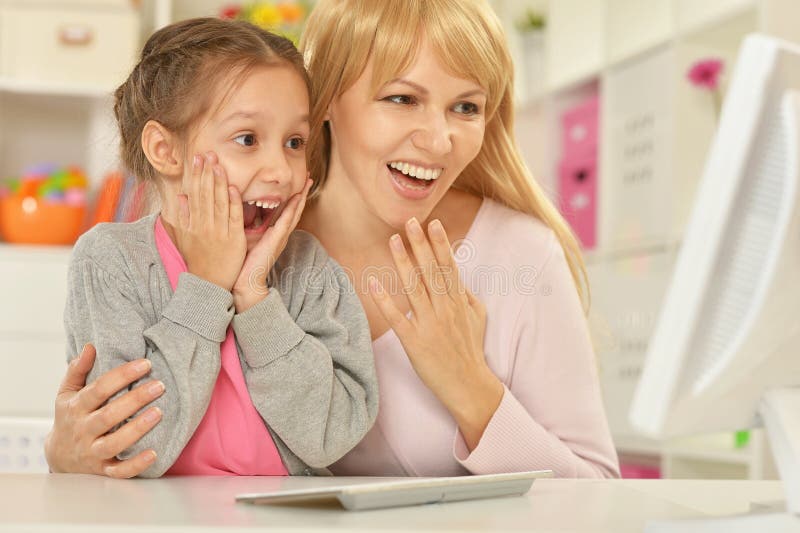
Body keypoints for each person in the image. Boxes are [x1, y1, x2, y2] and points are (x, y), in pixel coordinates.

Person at [46, 0, 620, 479]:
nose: (440, 139)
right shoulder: (258, 243)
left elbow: (599, 495)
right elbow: (131, 436)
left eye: (466, 107)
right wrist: (68, 457)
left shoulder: (521, 255)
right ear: (325, 103)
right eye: (402, 98)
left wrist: (472, 389)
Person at [60, 17, 378, 478]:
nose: (282, 171)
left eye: (295, 142)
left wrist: (255, 299)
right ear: (165, 151)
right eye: (247, 139)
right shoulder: (111, 261)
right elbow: (133, 447)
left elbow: (332, 436)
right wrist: (207, 286)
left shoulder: (305, 266)